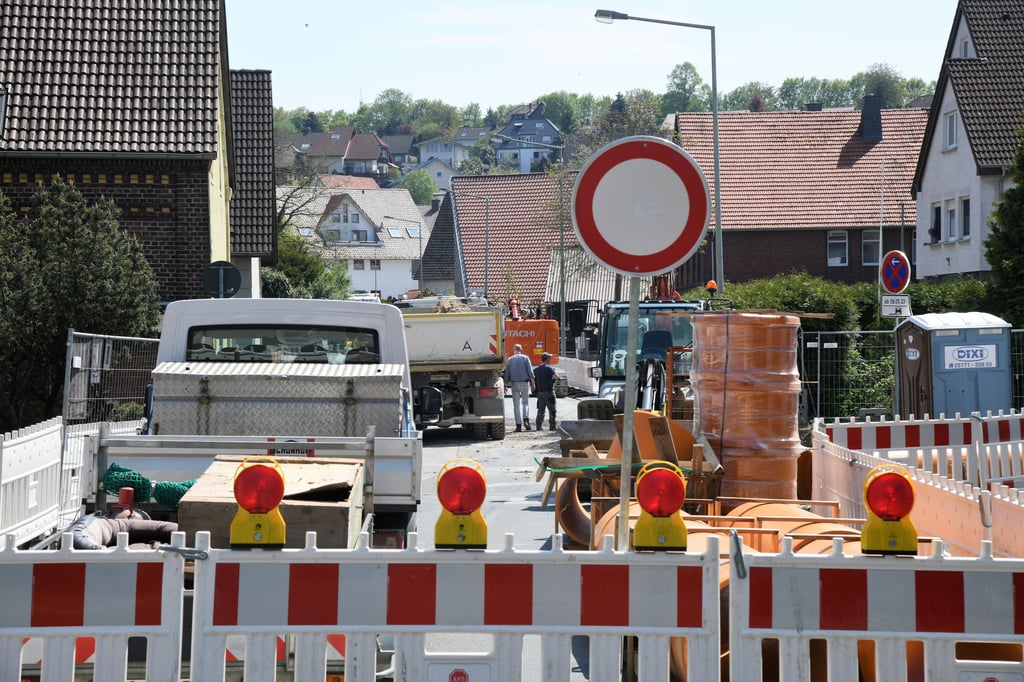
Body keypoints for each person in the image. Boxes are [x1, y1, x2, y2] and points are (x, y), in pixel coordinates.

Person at [503, 343, 535, 431]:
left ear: (514, 349)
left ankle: (518, 425)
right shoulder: (525, 358)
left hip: (514, 384)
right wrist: (533, 383)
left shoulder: (510, 360)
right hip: (525, 383)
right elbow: (530, 371)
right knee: (525, 403)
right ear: (521, 350)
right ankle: (526, 420)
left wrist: (505, 385)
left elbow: (507, 373)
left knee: (516, 405)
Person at [533, 352, 557, 432]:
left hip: (540, 393)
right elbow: (556, 376)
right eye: (549, 358)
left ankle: (538, 426)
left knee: (541, 410)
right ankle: (552, 426)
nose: (550, 359)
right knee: (552, 410)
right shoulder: (548, 368)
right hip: (549, 392)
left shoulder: (538, 369)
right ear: (547, 359)